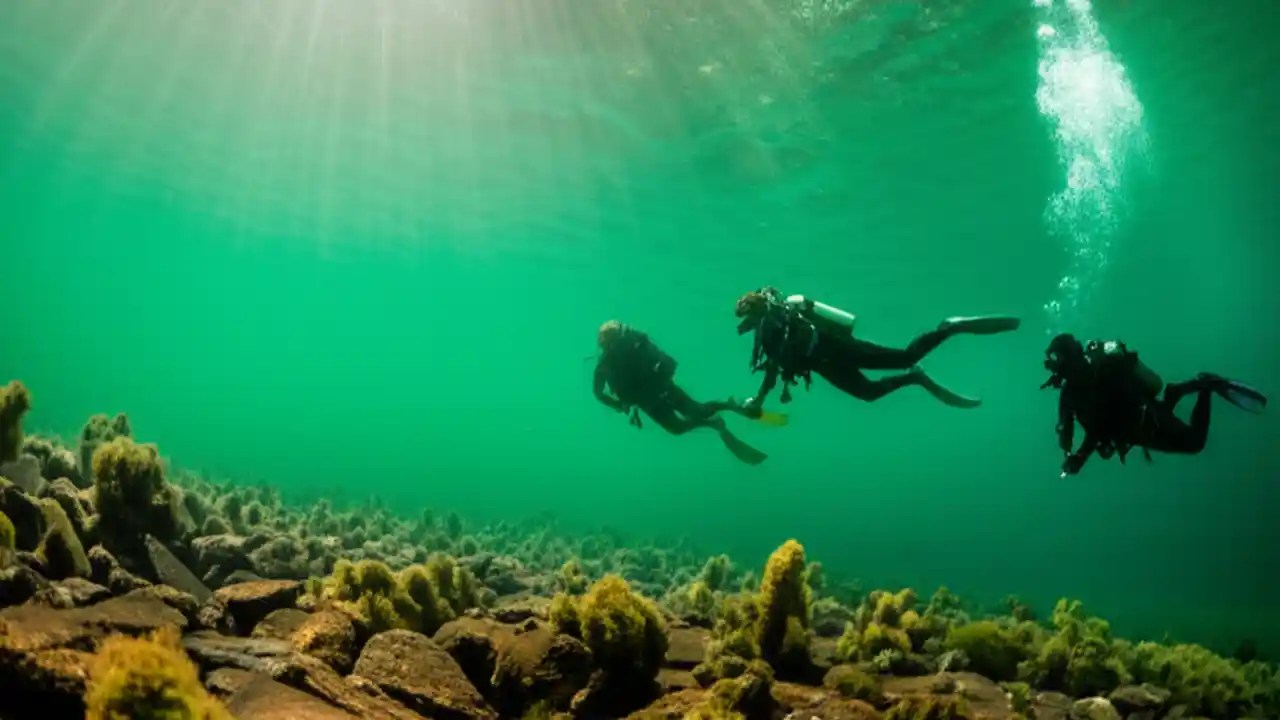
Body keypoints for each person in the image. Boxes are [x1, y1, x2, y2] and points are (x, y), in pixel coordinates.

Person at [732, 286, 1020, 414]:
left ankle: (946, 328)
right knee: (878, 384)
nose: (744, 324)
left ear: (753, 313)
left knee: (904, 359)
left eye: (746, 318)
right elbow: (776, 366)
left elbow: (772, 370)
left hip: (835, 355)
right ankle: (916, 376)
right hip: (830, 358)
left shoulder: (767, 331)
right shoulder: (778, 318)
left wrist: (757, 400)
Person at [1042, 333, 1267, 477]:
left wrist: (1079, 456)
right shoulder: (1071, 393)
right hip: (1138, 428)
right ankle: (1176, 392)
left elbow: (1102, 424)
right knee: (1188, 439)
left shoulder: (1099, 375)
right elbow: (1075, 430)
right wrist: (1074, 455)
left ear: (1066, 359)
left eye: (1057, 361)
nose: (1054, 369)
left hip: (1145, 420)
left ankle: (1205, 385)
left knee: (1195, 442)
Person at [592, 320, 770, 466]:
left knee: (680, 426)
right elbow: (599, 393)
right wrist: (619, 403)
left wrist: (618, 404)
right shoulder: (627, 349)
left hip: (654, 398)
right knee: (695, 414)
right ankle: (723, 409)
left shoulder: (607, 362)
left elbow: (598, 393)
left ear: (603, 341)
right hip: (661, 390)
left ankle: (717, 419)